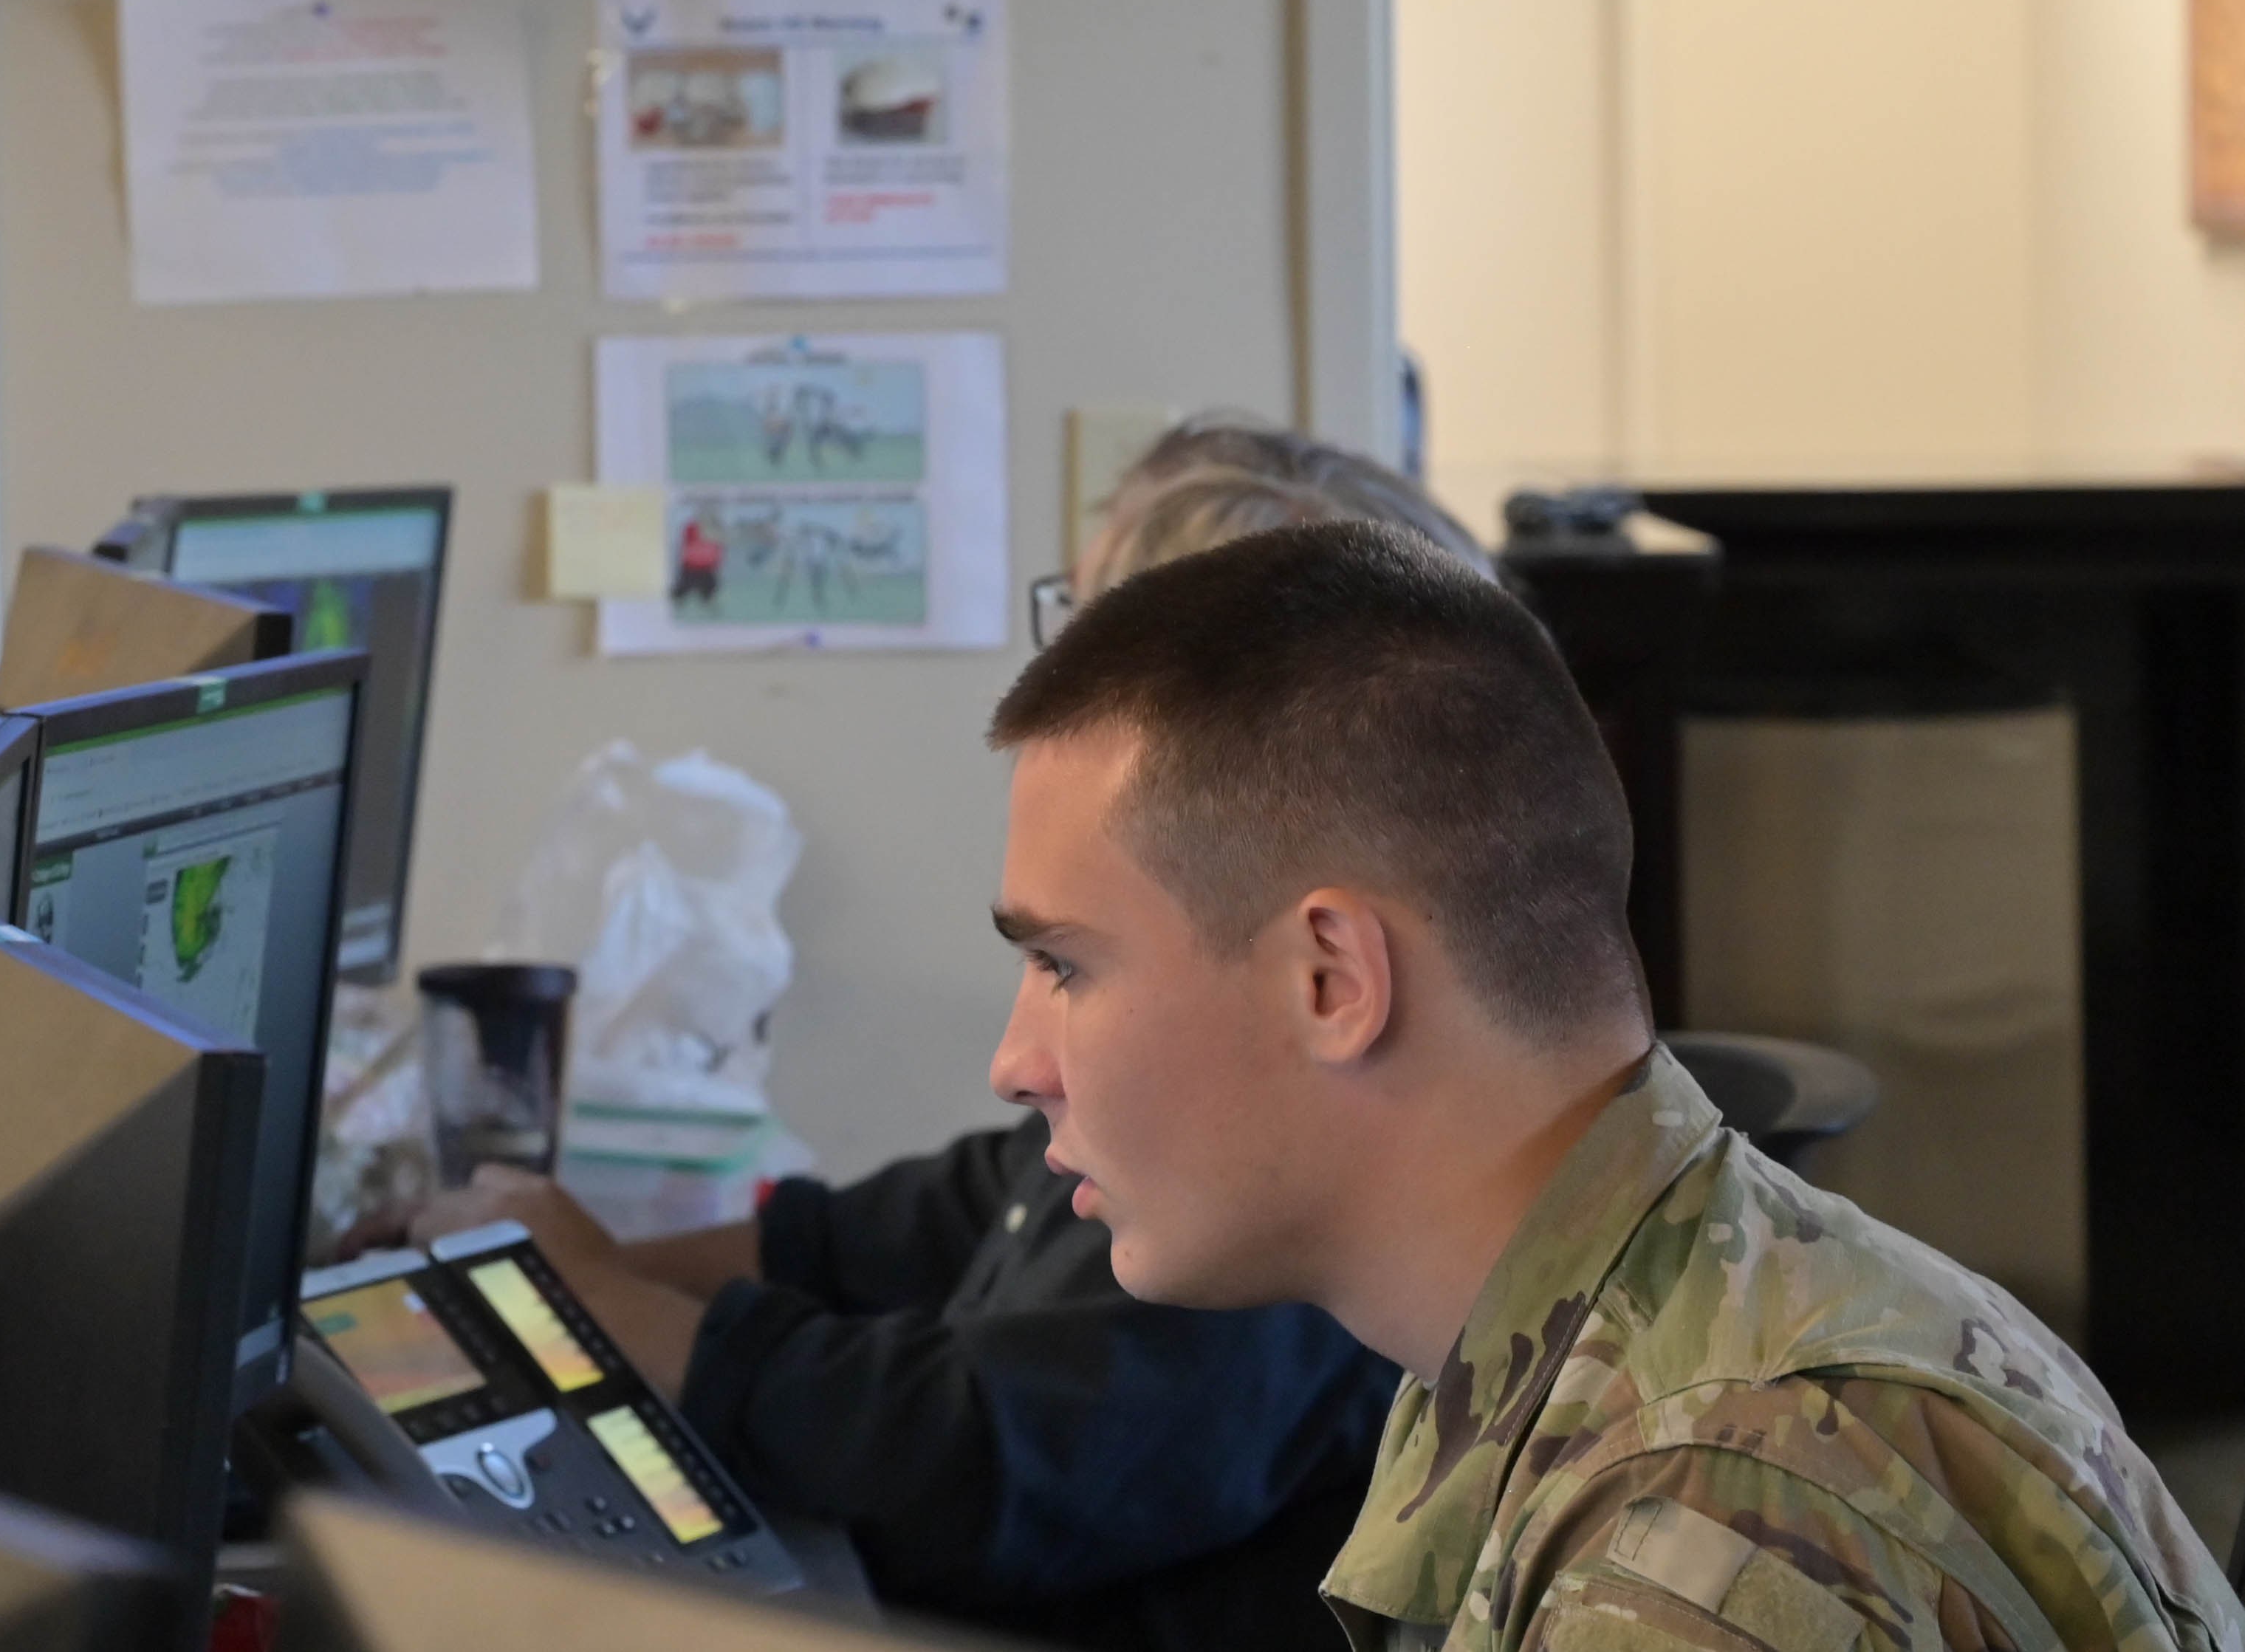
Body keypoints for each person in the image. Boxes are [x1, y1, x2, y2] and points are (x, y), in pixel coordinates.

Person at [984, 521, 2240, 1652]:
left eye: (1064, 965)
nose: (1016, 1065)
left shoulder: (1704, 1528)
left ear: (1331, 979)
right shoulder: (1582, 1338)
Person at [411, 416, 1487, 1652]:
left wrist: (599, 1301)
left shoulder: (1309, 1141)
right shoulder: (1217, 1075)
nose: (1022, 1064)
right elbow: (957, 1211)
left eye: (1080, 636)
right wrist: (591, 1262)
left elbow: (997, 1468)